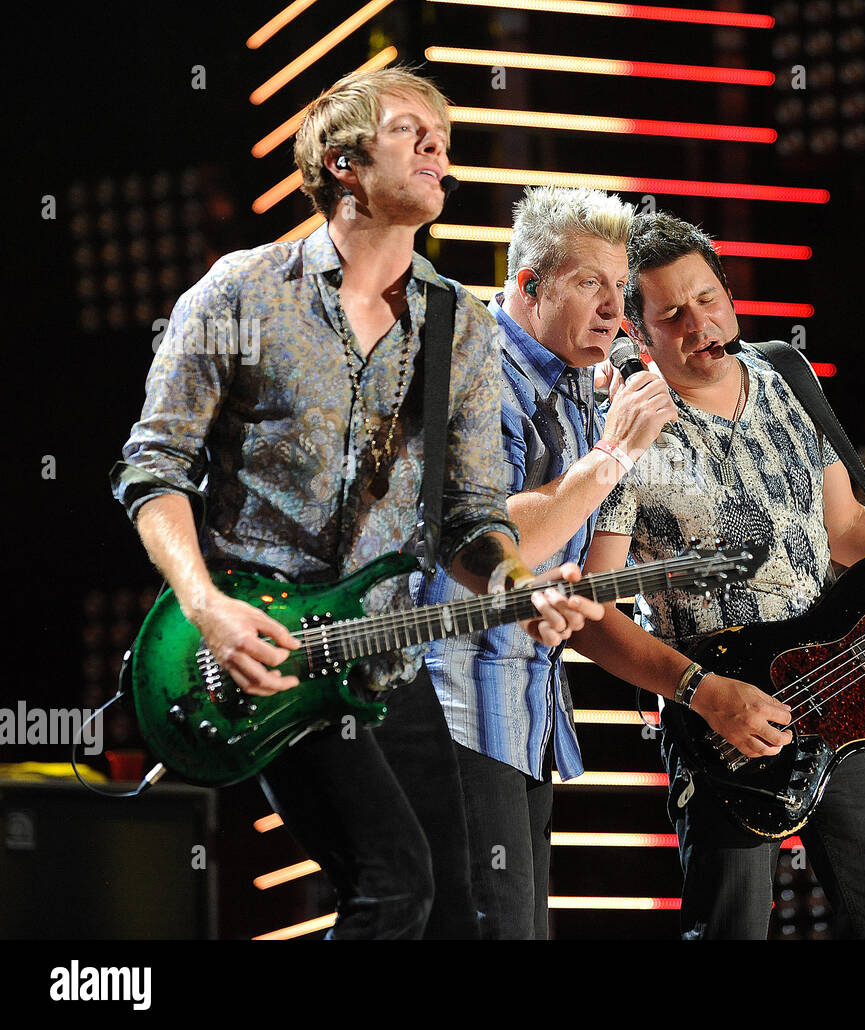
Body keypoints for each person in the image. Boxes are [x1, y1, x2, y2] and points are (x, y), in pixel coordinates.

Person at [109, 68, 599, 940]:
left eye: (442, 135)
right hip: (258, 645)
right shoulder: (242, 293)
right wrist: (206, 606)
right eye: (411, 129)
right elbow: (155, 468)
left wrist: (520, 585)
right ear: (343, 161)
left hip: (381, 656)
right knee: (393, 886)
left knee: (454, 916)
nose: (436, 147)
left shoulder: (460, 326)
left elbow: (470, 516)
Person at [572, 211, 865, 939]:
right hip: (723, 722)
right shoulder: (626, 428)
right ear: (638, 334)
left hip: (840, 695)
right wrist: (704, 695)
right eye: (671, 314)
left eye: (708, 299)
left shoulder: (784, 379)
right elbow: (593, 609)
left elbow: (853, 531)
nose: (698, 323)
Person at [409, 185, 789, 938]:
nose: (614, 309)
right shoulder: (474, 364)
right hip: (455, 703)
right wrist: (614, 453)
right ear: (529, 286)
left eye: (619, 288)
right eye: (590, 285)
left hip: (523, 710)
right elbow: (490, 536)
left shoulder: (581, 379)